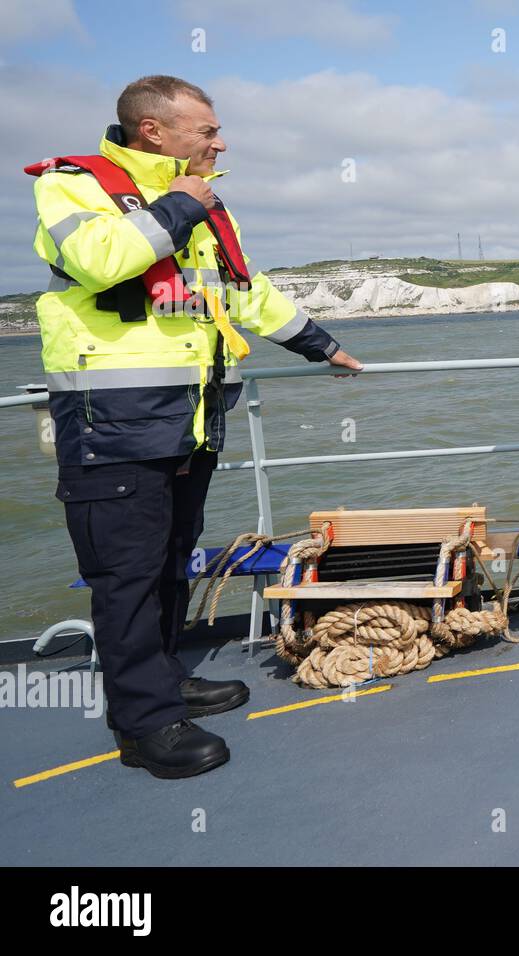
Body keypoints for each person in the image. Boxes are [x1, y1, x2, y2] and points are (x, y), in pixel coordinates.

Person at [26, 75, 364, 778]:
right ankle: (144, 726)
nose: (220, 141)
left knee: (172, 558)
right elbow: (98, 261)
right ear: (154, 130)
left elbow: (243, 293)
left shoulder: (205, 206)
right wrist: (183, 203)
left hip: (191, 417)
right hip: (111, 422)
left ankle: (165, 680)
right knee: (126, 576)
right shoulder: (73, 186)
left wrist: (321, 344)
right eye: (206, 130)